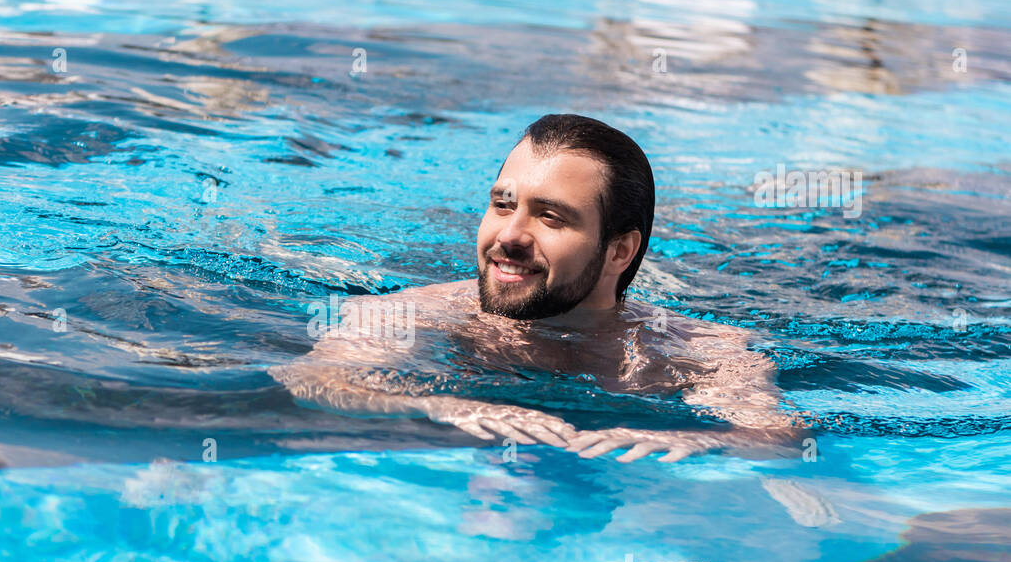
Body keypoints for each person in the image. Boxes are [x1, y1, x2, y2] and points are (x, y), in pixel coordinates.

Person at [272, 114, 804, 463]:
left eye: (550, 217)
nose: (508, 236)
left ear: (619, 251)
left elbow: (777, 438)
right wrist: (447, 408)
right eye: (503, 205)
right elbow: (313, 380)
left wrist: (694, 439)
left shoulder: (697, 351)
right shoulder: (408, 313)